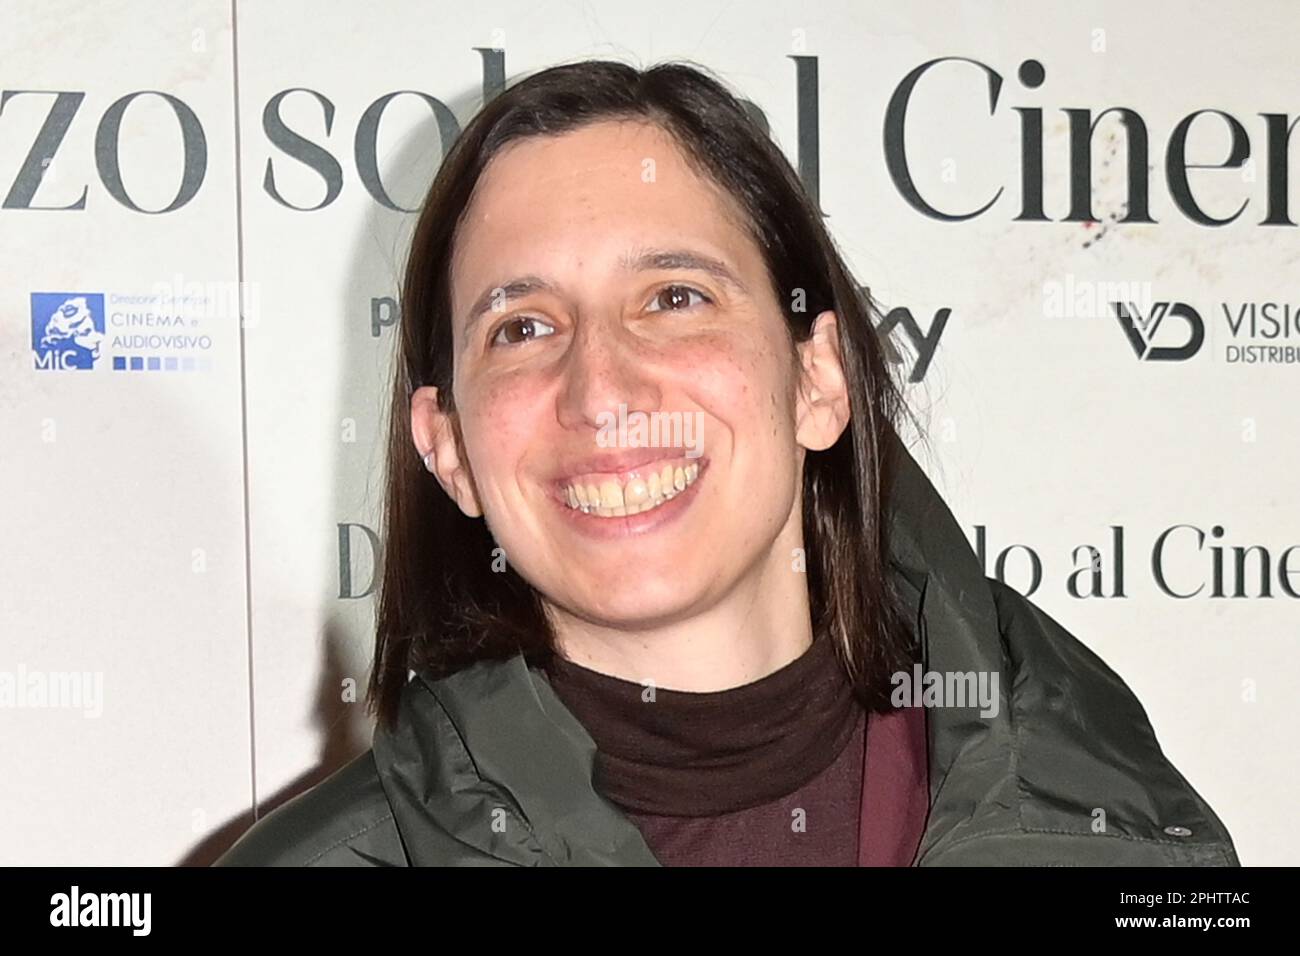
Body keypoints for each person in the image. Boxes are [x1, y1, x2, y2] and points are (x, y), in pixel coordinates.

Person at [214, 59, 1238, 867]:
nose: (600, 388)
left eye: (673, 297)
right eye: (522, 325)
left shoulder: (1116, 826)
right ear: (450, 452)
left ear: (820, 379)